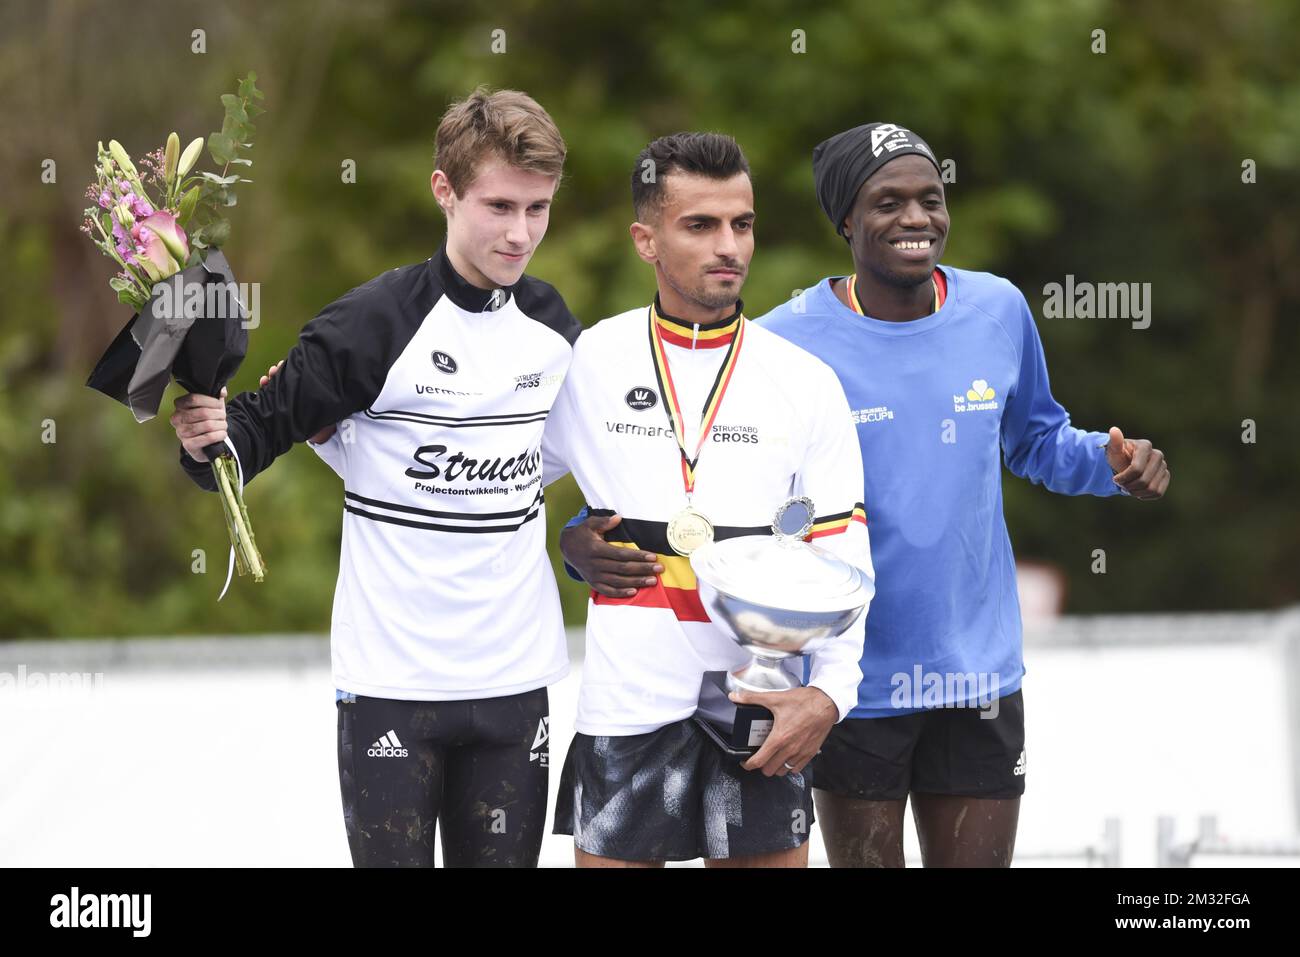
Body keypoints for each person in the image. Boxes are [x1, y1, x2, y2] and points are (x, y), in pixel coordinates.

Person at [564, 122, 1168, 867]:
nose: (916, 219)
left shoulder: (998, 311)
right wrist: (581, 536)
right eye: (888, 202)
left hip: (978, 676)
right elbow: (685, 480)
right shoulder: (787, 345)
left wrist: (1109, 466)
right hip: (850, 684)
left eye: (930, 199)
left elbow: (1037, 441)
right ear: (845, 219)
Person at [169, 88, 580, 867]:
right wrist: (207, 438)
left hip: (515, 682)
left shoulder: (556, 327)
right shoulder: (372, 325)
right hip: (392, 682)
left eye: (539, 208)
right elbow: (249, 435)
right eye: (499, 205)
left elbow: (590, 460)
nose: (520, 232)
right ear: (444, 190)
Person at [542, 132, 874, 867]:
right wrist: (566, 542)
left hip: (763, 701)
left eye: (742, 223)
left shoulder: (805, 379)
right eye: (700, 225)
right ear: (646, 240)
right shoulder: (588, 359)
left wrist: (832, 695)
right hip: (629, 703)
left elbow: (844, 557)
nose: (729, 245)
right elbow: (498, 488)